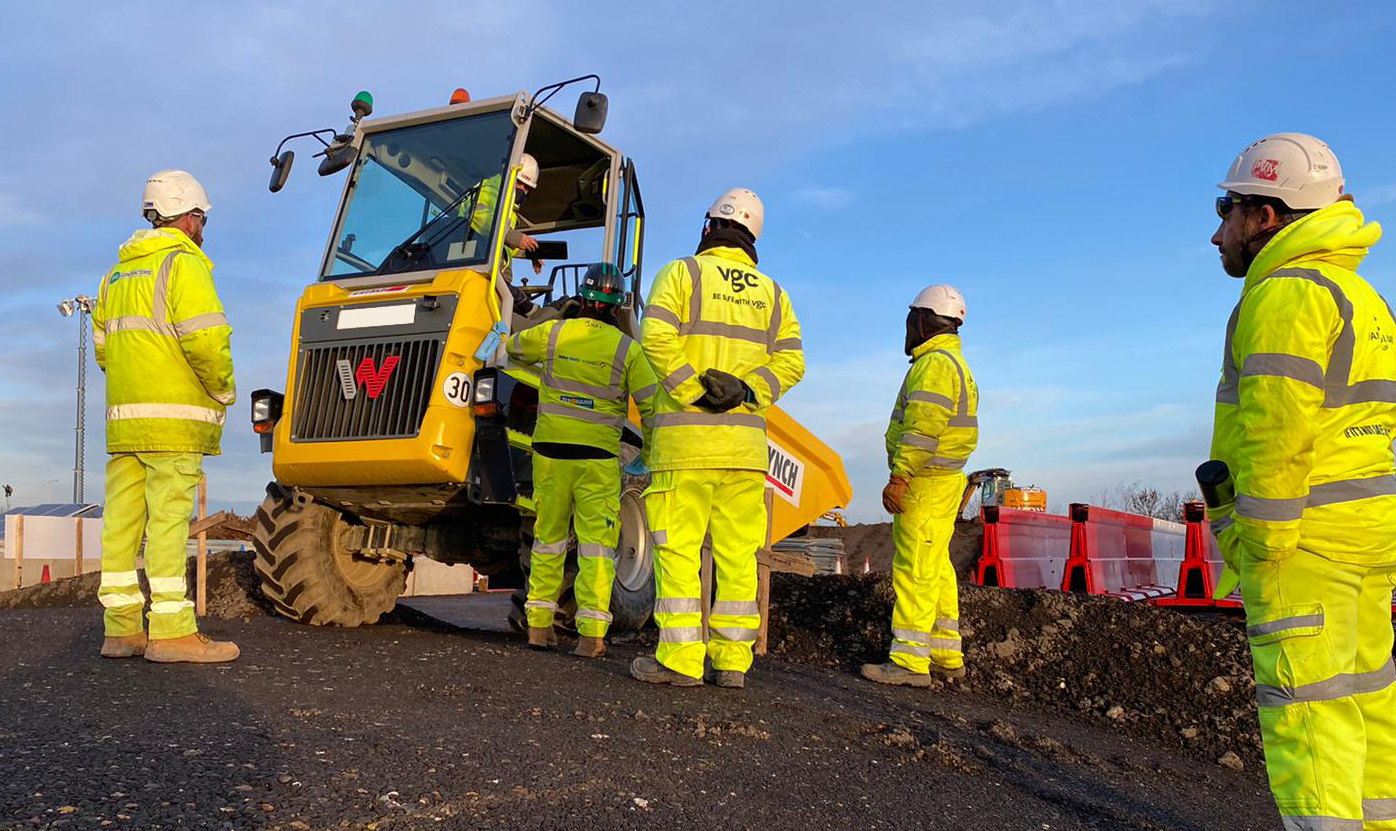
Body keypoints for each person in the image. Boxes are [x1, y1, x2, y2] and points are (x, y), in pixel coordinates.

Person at [1206, 132, 1396, 830]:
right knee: (1366, 705)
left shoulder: (1286, 293)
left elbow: (1278, 432)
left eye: (1229, 209)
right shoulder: (1360, 295)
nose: (1218, 230)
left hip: (1301, 545)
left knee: (1309, 721)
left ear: (1268, 216)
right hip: (1367, 541)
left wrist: (1255, 542)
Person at [631, 187, 805, 688]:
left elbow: (655, 336)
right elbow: (793, 362)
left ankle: (681, 661)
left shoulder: (682, 273)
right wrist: (746, 391)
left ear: (710, 226)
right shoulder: (774, 295)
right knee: (736, 556)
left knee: (679, 550)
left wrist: (695, 391)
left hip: (685, 448)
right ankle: (733, 664)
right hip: (744, 453)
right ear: (752, 237)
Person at [91, 170, 238, 663]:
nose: (203, 226)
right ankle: (173, 631)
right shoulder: (184, 265)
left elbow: (103, 349)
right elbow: (206, 339)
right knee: (170, 523)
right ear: (191, 217)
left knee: (122, 525)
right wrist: (222, 389)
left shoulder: (115, 275)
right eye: (202, 217)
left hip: (125, 422)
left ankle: (122, 631)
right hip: (172, 424)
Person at [505, 263, 658, 658]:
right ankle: (590, 637)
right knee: (595, 548)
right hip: (598, 460)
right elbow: (651, 406)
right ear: (617, 306)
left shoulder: (554, 333)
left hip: (551, 456)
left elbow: (512, 347)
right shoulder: (627, 349)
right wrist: (648, 455)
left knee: (549, 540)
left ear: (583, 298)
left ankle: (538, 628)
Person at [862, 285, 979, 687]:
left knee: (915, 570)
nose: (908, 327)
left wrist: (900, 477)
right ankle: (946, 651)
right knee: (937, 566)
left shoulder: (934, 365)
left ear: (924, 320)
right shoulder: (953, 363)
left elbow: (922, 429)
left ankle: (910, 662)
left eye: (912, 318)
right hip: (943, 481)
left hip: (926, 483)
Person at [470, 153, 546, 314]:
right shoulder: (490, 188)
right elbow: (480, 217)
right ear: (510, 176)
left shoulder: (510, 208)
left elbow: (503, 244)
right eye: (520, 183)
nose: (523, 190)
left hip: (499, 277)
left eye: (528, 188)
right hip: (481, 272)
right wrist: (514, 236)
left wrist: (529, 252)